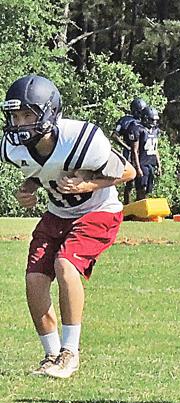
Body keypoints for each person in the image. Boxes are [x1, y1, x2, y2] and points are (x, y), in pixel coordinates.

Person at [1, 74, 136, 379]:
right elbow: (40, 170)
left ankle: (70, 352)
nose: (19, 123)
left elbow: (127, 172)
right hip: (57, 213)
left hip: (98, 210)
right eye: (15, 116)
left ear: (48, 113)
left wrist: (88, 183)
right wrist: (29, 187)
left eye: (27, 115)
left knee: (65, 265)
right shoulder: (13, 147)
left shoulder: (82, 139)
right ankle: (51, 355)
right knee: (34, 278)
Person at [124, 106, 162, 204]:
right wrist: (137, 167)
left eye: (155, 120)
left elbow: (155, 149)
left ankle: (141, 208)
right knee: (141, 188)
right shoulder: (137, 129)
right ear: (145, 118)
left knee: (148, 189)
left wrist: (159, 165)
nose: (154, 122)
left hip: (151, 163)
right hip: (142, 163)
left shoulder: (155, 131)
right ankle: (138, 210)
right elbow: (134, 150)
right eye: (151, 119)